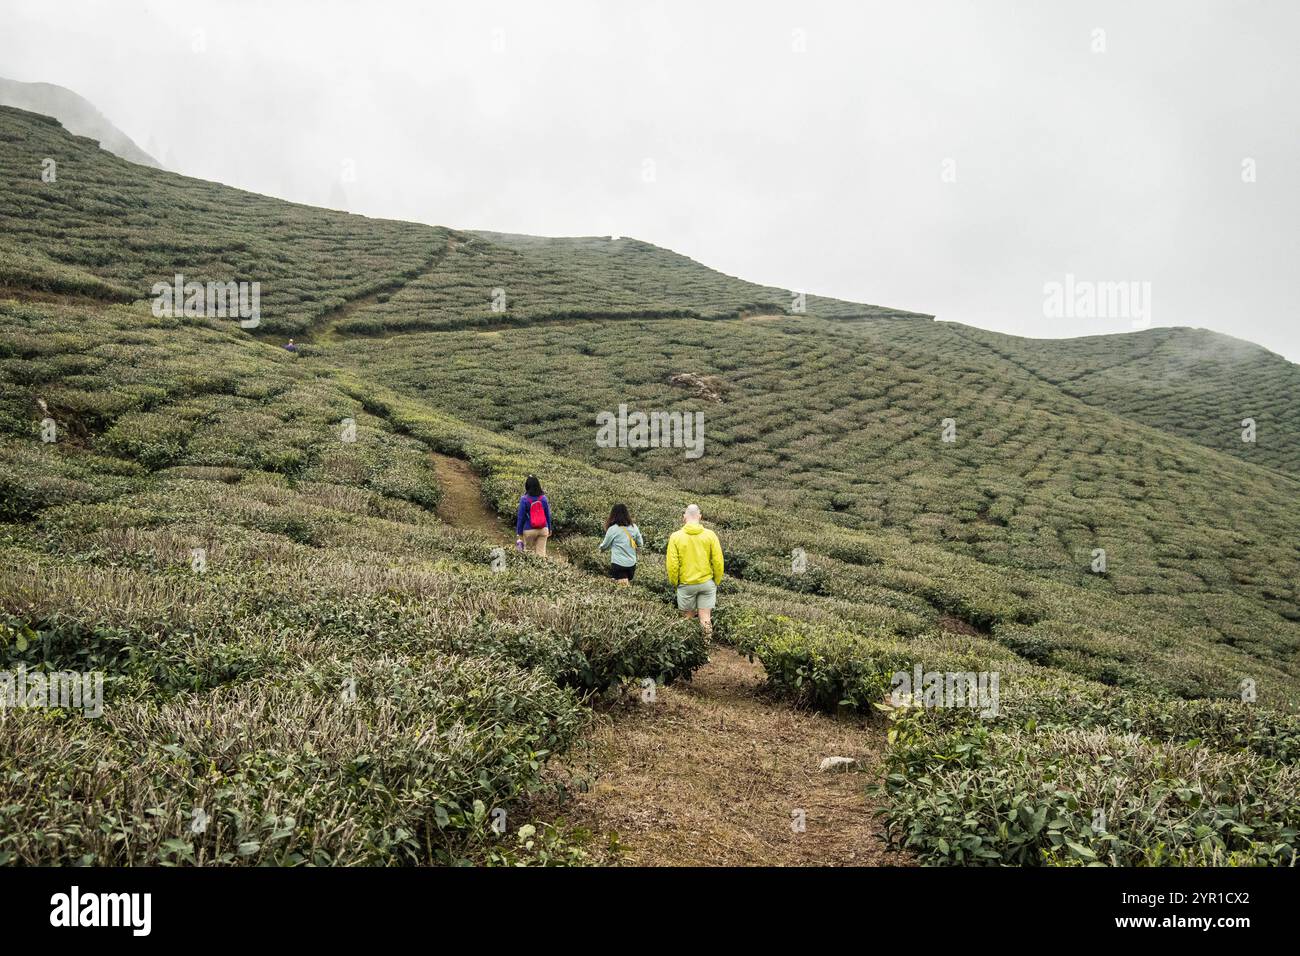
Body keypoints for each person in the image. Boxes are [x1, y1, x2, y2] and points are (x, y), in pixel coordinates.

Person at [665, 503, 724, 637]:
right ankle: (706, 651)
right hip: (707, 583)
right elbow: (718, 561)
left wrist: (675, 582)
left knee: (687, 620)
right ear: (700, 517)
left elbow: (672, 564)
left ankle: (690, 651)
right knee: (705, 618)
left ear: (684, 517)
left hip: (686, 584)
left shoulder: (675, 536)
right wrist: (716, 581)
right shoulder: (711, 535)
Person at [598, 503, 644, 584]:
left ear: (613, 515)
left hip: (618, 564)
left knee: (622, 589)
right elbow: (640, 543)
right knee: (625, 586)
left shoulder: (613, 529)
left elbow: (605, 545)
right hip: (631, 564)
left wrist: (600, 549)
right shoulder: (634, 527)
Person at [515, 475, 552, 556]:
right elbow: (548, 515)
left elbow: (521, 517)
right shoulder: (544, 498)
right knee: (541, 554)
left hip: (529, 530)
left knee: (527, 553)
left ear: (527, 486)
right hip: (543, 529)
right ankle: (541, 568)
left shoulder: (524, 499)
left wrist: (519, 532)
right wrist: (549, 528)